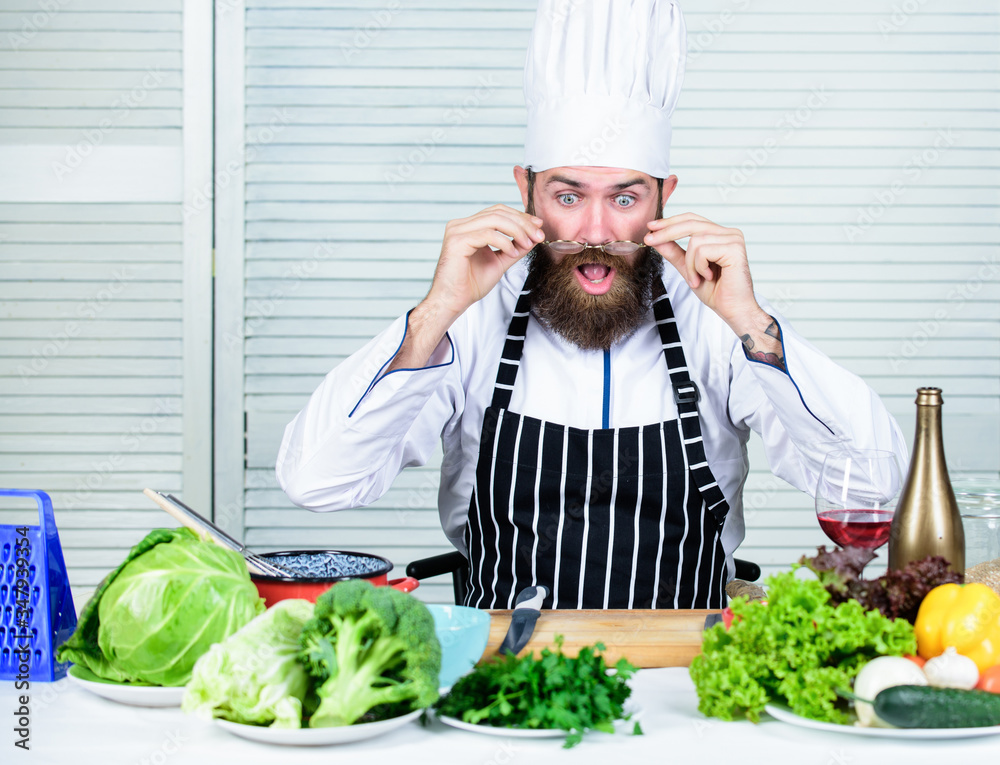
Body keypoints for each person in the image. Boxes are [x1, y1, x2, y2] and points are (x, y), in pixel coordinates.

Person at [276, 0, 906, 610]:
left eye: (625, 199)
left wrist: (753, 323)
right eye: (569, 197)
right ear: (526, 192)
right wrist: (434, 313)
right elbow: (317, 482)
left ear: (664, 199)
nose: (596, 232)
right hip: (501, 664)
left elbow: (875, 485)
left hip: (689, 665)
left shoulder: (718, 326)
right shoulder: (466, 323)